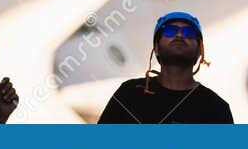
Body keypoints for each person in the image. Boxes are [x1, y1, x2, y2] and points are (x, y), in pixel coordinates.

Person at [97, 10, 233, 124]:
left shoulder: (217, 108)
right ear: (156, 47)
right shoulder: (129, 92)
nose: (179, 35)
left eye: (188, 32)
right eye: (170, 31)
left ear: (200, 51)